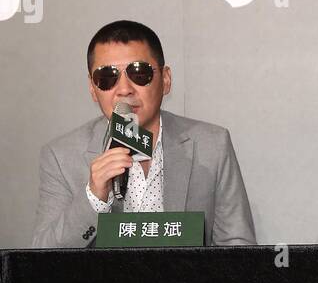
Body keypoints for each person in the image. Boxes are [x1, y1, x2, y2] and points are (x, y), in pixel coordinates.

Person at [32, 20, 256, 247]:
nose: (124, 89)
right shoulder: (61, 156)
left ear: (166, 80)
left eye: (139, 73)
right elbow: (41, 257)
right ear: (93, 88)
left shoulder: (212, 145)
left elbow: (238, 248)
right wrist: (94, 197)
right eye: (107, 78)